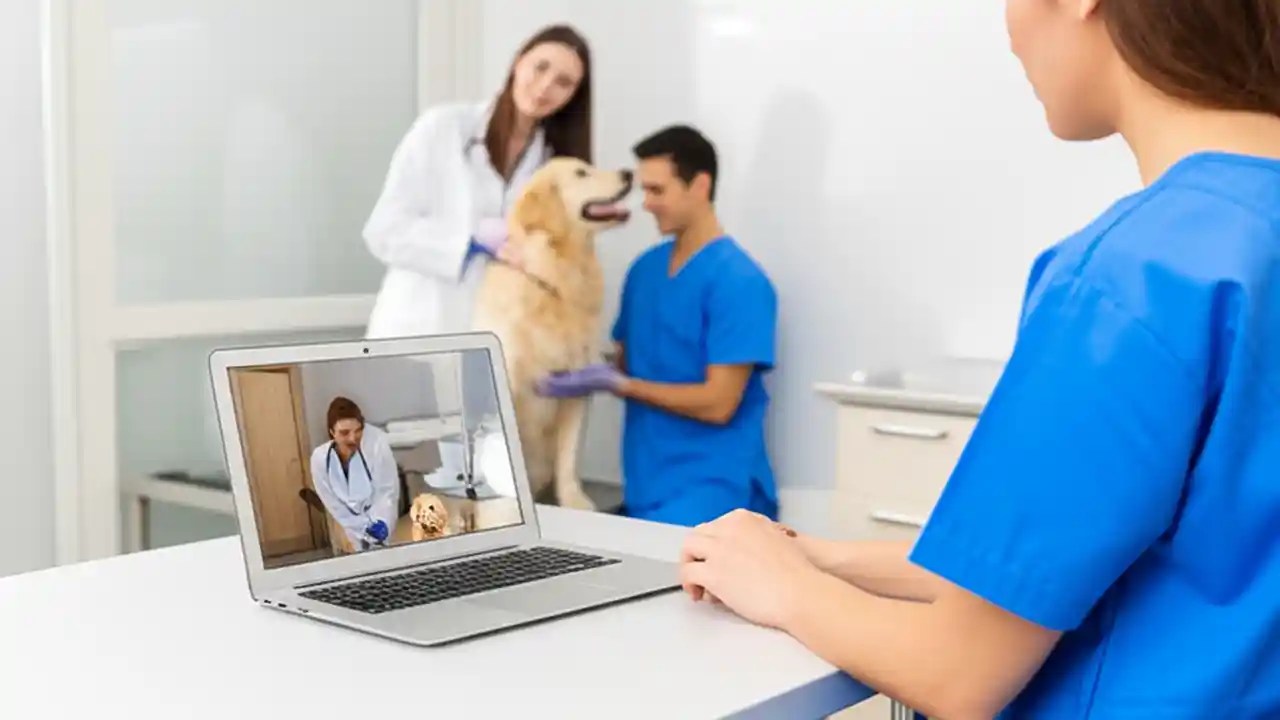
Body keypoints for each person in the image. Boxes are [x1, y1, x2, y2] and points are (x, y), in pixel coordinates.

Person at [677, 1, 1280, 717]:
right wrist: (825, 558)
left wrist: (782, 585)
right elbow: (1122, 568)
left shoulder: (1137, 274)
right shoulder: (1237, 242)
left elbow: (955, 671)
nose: (1009, 28)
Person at [537, 125, 780, 527]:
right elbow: (627, 362)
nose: (646, 204)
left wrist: (619, 385)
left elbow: (720, 404)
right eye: (644, 191)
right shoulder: (644, 271)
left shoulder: (740, 282)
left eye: (657, 191)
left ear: (699, 186)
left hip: (715, 497)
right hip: (645, 489)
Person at [362, 24, 593, 340]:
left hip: (498, 334)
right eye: (540, 68)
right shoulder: (443, 128)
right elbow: (384, 231)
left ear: (572, 97)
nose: (544, 87)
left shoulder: (554, 164)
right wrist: (469, 240)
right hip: (418, 325)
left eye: (563, 83)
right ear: (518, 62)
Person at [310, 397, 401, 552]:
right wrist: (361, 527)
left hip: (378, 518)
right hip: (351, 526)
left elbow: (386, 491)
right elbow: (333, 504)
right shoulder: (320, 459)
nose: (353, 438)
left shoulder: (376, 444)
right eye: (344, 433)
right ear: (332, 432)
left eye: (358, 431)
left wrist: (382, 522)